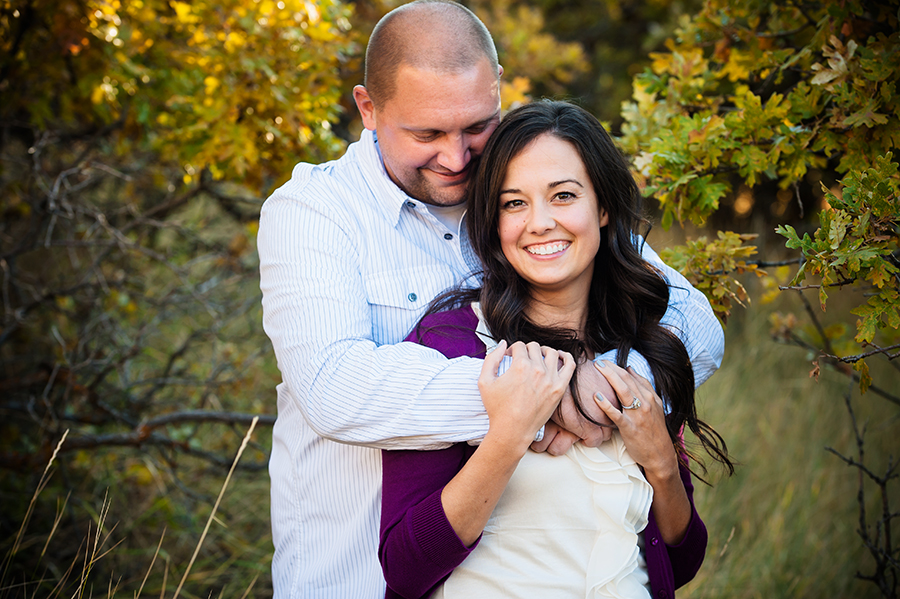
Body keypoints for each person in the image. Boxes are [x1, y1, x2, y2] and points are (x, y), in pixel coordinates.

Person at [257, 2, 724, 597]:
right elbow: (331, 385)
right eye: (427, 133)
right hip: (352, 574)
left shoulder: (531, 192)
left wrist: (607, 385)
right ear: (368, 109)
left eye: (477, 126)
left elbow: (693, 323)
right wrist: (543, 396)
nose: (457, 159)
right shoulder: (314, 213)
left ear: (498, 89)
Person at [379, 100, 734, 599]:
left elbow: (683, 557)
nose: (540, 222)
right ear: (494, 220)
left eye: (563, 196)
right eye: (514, 203)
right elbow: (404, 566)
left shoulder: (644, 348)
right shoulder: (450, 343)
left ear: (604, 207)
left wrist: (659, 463)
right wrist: (508, 436)